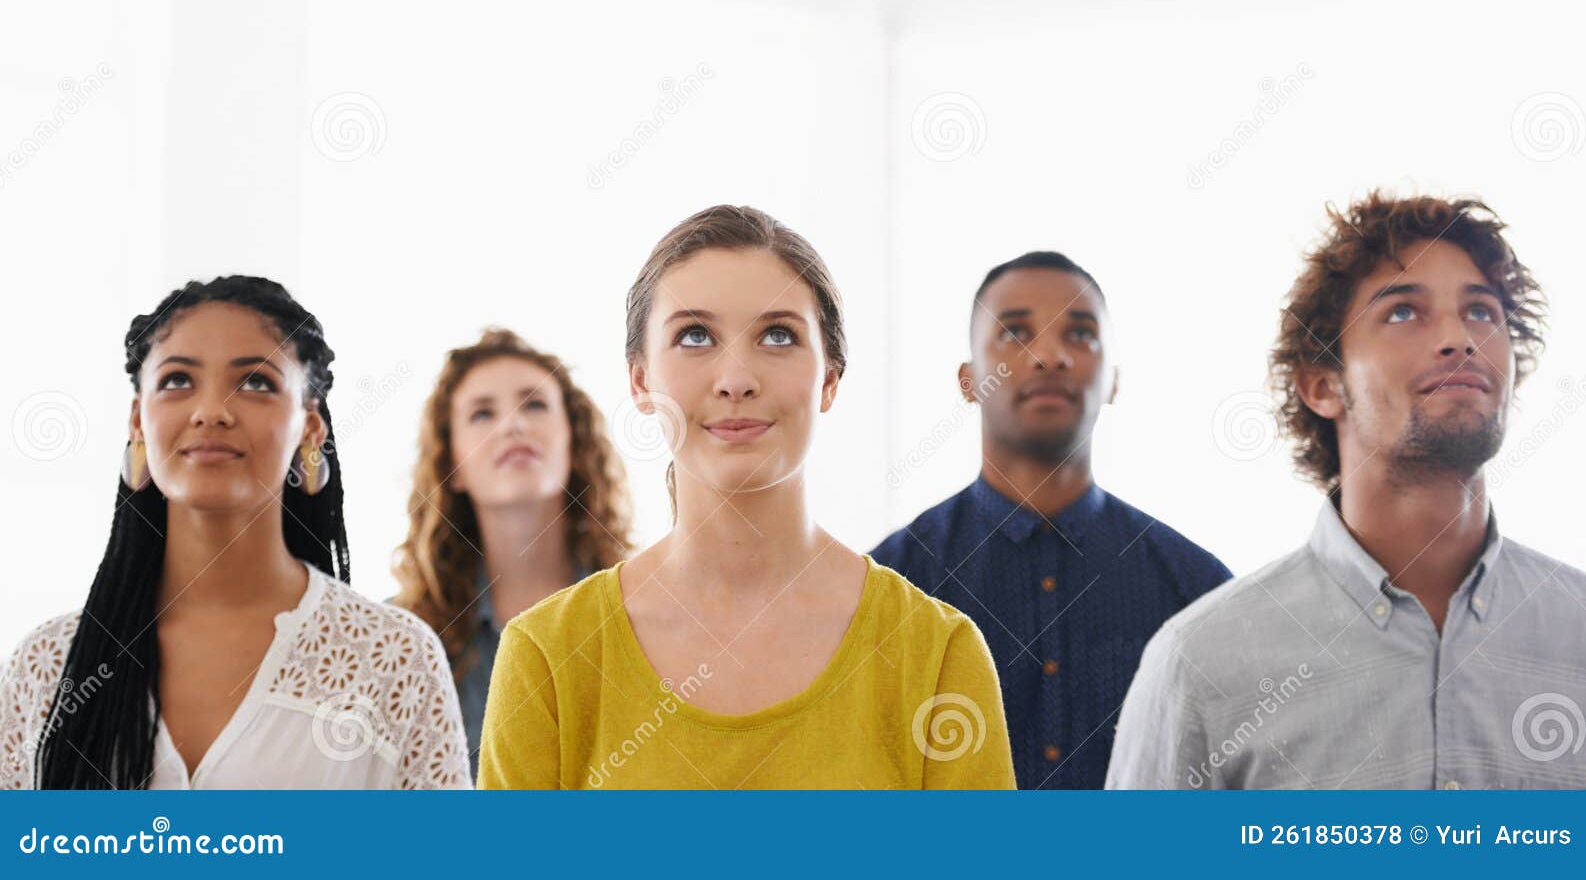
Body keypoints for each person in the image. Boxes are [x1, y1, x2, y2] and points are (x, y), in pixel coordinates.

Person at [478, 205, 1015, 788]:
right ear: (640, 380)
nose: (736, 378)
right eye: (695, 336)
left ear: (830, 378)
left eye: (778, 335)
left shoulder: (937, 655)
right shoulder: (547, 657)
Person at [1107, 192, 1586, 789]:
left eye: (1480, 311)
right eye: (1402, 312)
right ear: (1321, 385)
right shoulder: (1203, 663)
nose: (1458, 338)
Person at [0, 276, 470, 789]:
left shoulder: (396, 659)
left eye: (256, 382)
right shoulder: (44, 667)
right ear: (138, 421)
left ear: (310, 429)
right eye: (178, 380)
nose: (211, 412)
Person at [872, 250, 1231, 788]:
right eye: (1015, 332)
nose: (1049, 354)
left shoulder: (1197, 590)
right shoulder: (891, 584)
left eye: (1081, 335)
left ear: (1113, 380)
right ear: (968, 381)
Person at [391, 328, 633, 779]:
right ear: (452, 466)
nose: (512, 425)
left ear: (575, 445)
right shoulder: (402, 641)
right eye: (482, 414)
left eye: (535, 404)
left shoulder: (644, 609)